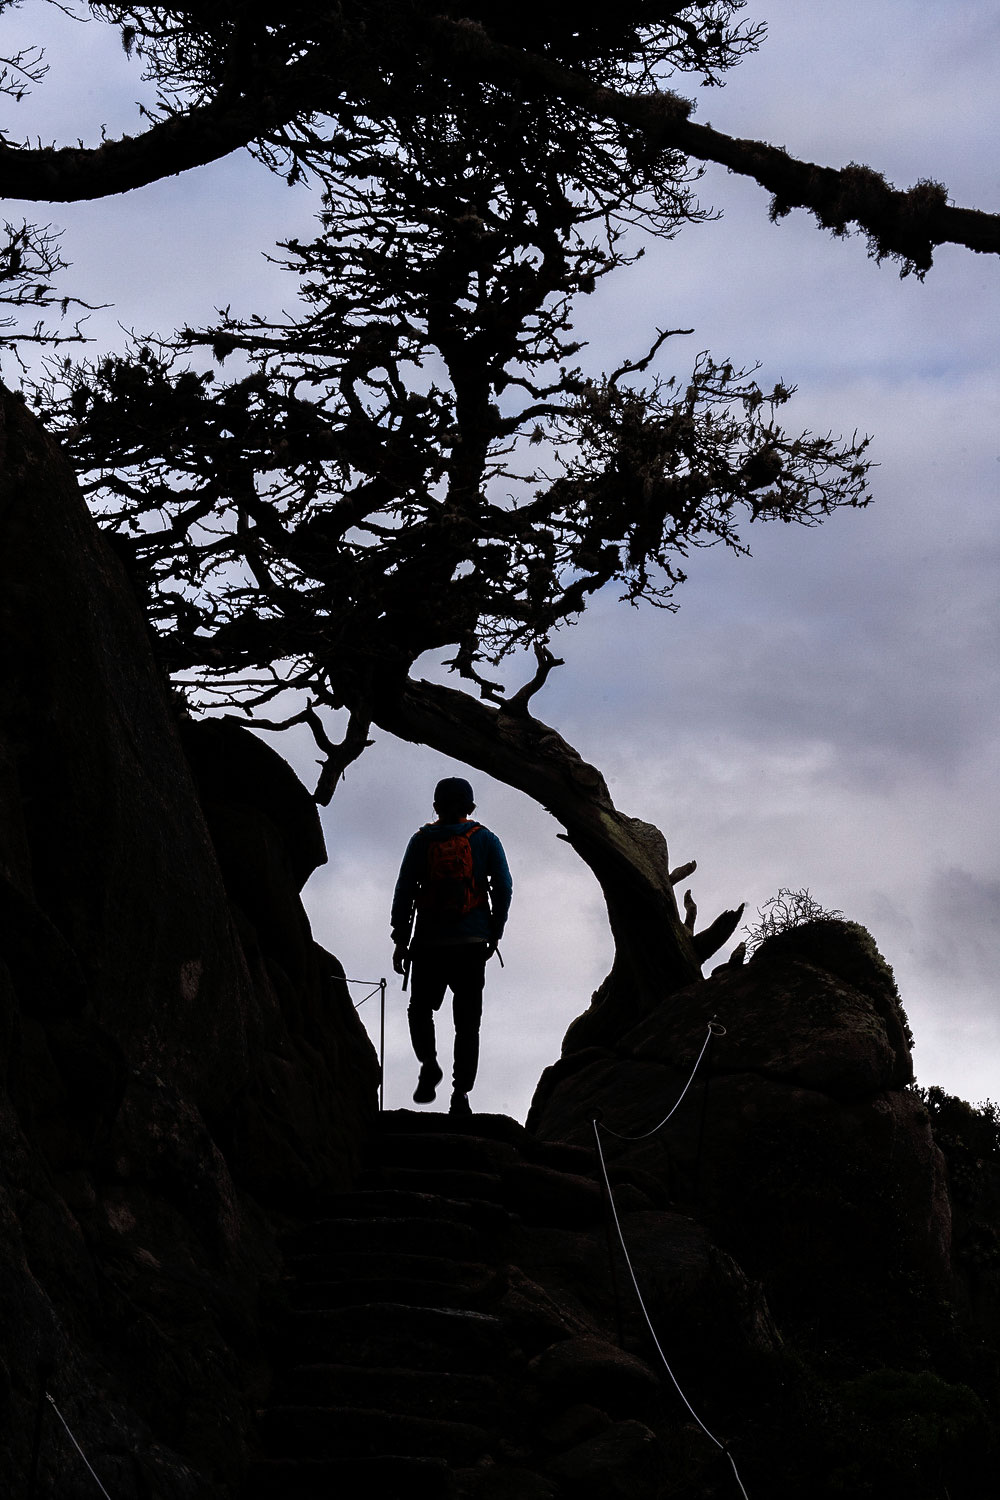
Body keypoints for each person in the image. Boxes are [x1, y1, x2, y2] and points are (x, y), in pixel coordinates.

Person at [391, 777, 512, 1117]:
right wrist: (495, 931)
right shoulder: (486, 839)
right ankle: (461, 1093)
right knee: (468, 1023)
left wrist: (401, 939)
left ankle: (429, 1064)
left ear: (436, 805)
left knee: (420, 1009)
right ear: (470, 806)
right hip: (472, 943)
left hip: (429, 943)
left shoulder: (421, 841)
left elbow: (404, 891)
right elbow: (503, 886)